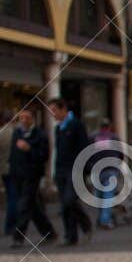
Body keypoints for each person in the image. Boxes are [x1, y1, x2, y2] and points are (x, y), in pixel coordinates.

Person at [5, 106, 55, 248]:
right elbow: (13, 155)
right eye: (21, 118)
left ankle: (18, 237)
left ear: (32, 119)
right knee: (33, 206)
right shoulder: (17, 133)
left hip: (32, 175)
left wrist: (29, 149)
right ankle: (49, 232)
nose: (24, 121)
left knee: (24, 205)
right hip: (18, 175)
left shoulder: (39, 134)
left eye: (27, 118)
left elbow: (44, 155)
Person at [47, 98, 92, 246]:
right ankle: (70, 236)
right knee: (64, 205)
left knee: (69, 200)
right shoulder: (58, 128)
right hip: (61, 170)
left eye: (54, 110)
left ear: (63, 109)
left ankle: (85, 224)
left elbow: (84, 149)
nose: (52, 114)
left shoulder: (77, 125)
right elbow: (58, 152)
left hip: (75, 170)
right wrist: (55, 171)